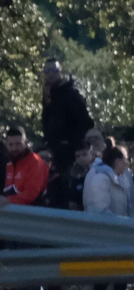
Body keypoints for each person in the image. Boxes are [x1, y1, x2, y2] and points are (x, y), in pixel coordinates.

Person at [83, 144, 134, 290]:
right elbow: (101, 210)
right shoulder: (101, 179)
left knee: (121, 274)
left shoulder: (121, 178)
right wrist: (119, 227)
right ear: (117, 160)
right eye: (125, 160)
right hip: (105, 235)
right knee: (103, 274)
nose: (127, 163)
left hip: (121, 235)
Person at [40, 60, 94, 207]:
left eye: (54, 70)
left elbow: (86, 122)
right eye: (47, 71)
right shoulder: (48, 93)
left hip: (70, 153)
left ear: (60, 72)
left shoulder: (71, 93)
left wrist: (70, 142)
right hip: (53, 150)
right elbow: (46, 120)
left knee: (67, 189)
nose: (51, 74)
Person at [4, 126, 51, 205]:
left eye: (18, 144)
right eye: (10, 145)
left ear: (26, 143)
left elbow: (30, 194)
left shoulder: (35, 163)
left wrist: (7, 201)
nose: (14, 148)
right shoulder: (6, 161)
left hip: (32, 210)